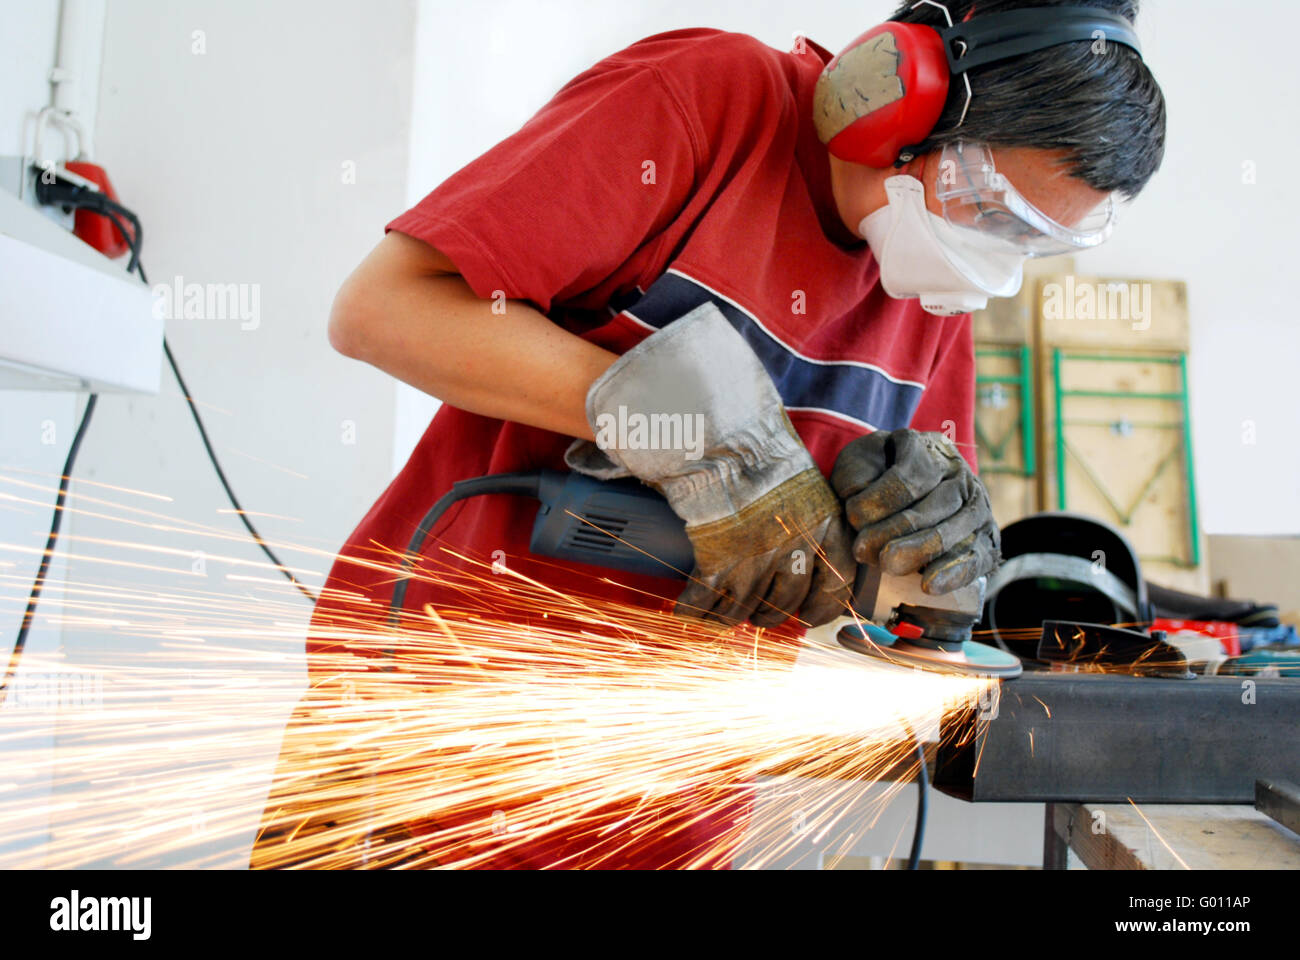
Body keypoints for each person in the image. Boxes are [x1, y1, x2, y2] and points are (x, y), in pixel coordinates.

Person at [254, 0, 1165, 869]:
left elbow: (872, 588)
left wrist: (932, 553)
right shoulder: (709, 103)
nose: (994, 258)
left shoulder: (927, 281)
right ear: (898, 99)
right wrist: (698, 431)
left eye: (1032, 242)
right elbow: (382, 309)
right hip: (430, 755)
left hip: (674, 805)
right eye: (988, 203)